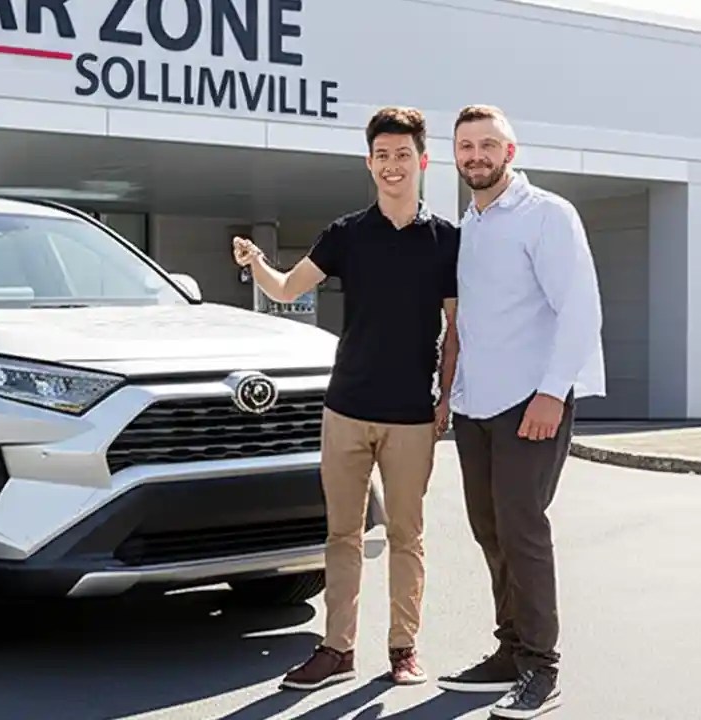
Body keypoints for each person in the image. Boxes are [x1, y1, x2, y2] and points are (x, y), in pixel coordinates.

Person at [233, 106, 460, 690]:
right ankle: (337, 651)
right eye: (382, 155)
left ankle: (404, 648)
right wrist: (257, 263)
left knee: (406, 536)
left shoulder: (446, 241)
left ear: (422, 161)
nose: (391, 165)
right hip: (346, 410)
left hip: (411, 415)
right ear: (369, 162)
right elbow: (286, 289)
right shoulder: (346, 234)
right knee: (342, 536)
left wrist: (445, 398)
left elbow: (456, 329)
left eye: (402, 154)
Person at [437, 104, 604, 719]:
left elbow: (580, 308)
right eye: (466, 146)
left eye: (488, 145)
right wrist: (451, 395)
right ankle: (510, 651)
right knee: (490, 530)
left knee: (522, 530)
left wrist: (553, 392)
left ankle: (541, 666)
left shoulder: (547, 214)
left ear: (510, 152)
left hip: (530, 403)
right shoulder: (471, 224)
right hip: (476, 406)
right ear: (455, 156)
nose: (476, 155)